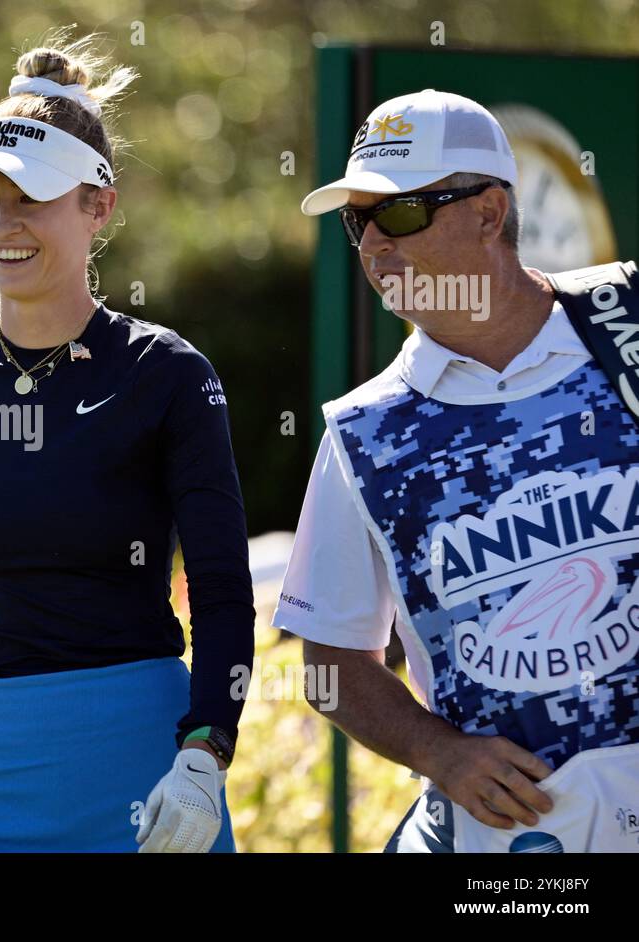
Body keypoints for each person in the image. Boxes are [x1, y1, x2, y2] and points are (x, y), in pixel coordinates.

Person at [0, 35, 255, 852]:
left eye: (31, 198)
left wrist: (205, 754)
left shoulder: (167, 375)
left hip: (145, 765)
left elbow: (225, 592)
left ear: (99, 206)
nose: (2, 224)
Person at [275, 89, 639, 852]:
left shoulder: (628, 325)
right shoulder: (363, 430)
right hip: (516, 846)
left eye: (402, 212)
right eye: (358, 220)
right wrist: (438, 752)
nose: (375, 243)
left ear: (489, 212)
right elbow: (333, 663)